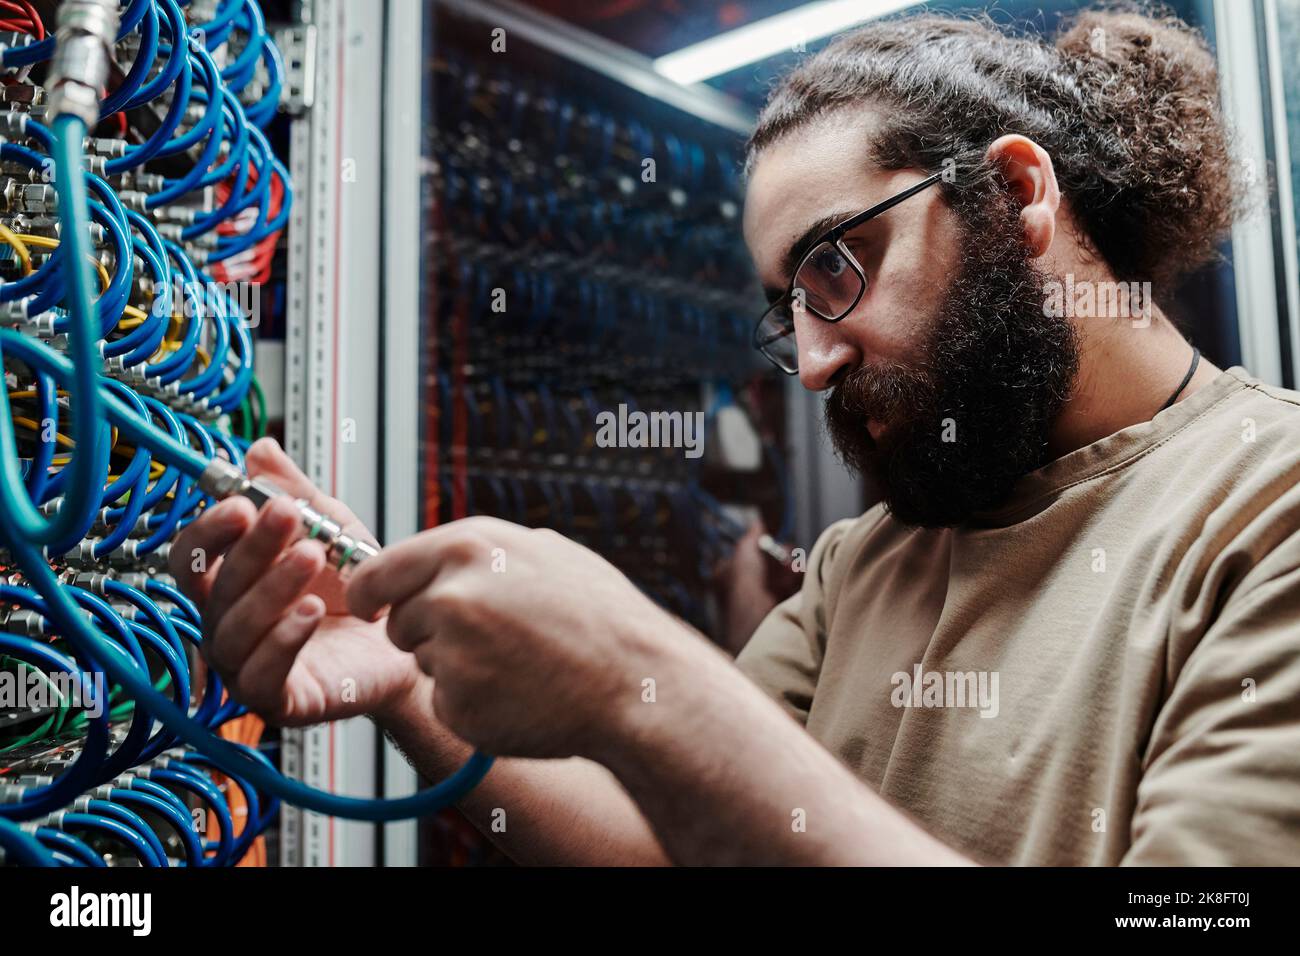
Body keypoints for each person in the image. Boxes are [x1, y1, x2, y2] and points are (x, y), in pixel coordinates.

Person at [171, 9, 1300, 865]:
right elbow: (671, 834)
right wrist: (400, 672)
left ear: (1014, 193)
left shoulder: (1266, 510)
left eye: (833, 267)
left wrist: (634, 664)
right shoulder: (871, 559)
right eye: (788, 307)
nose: (810, 360)